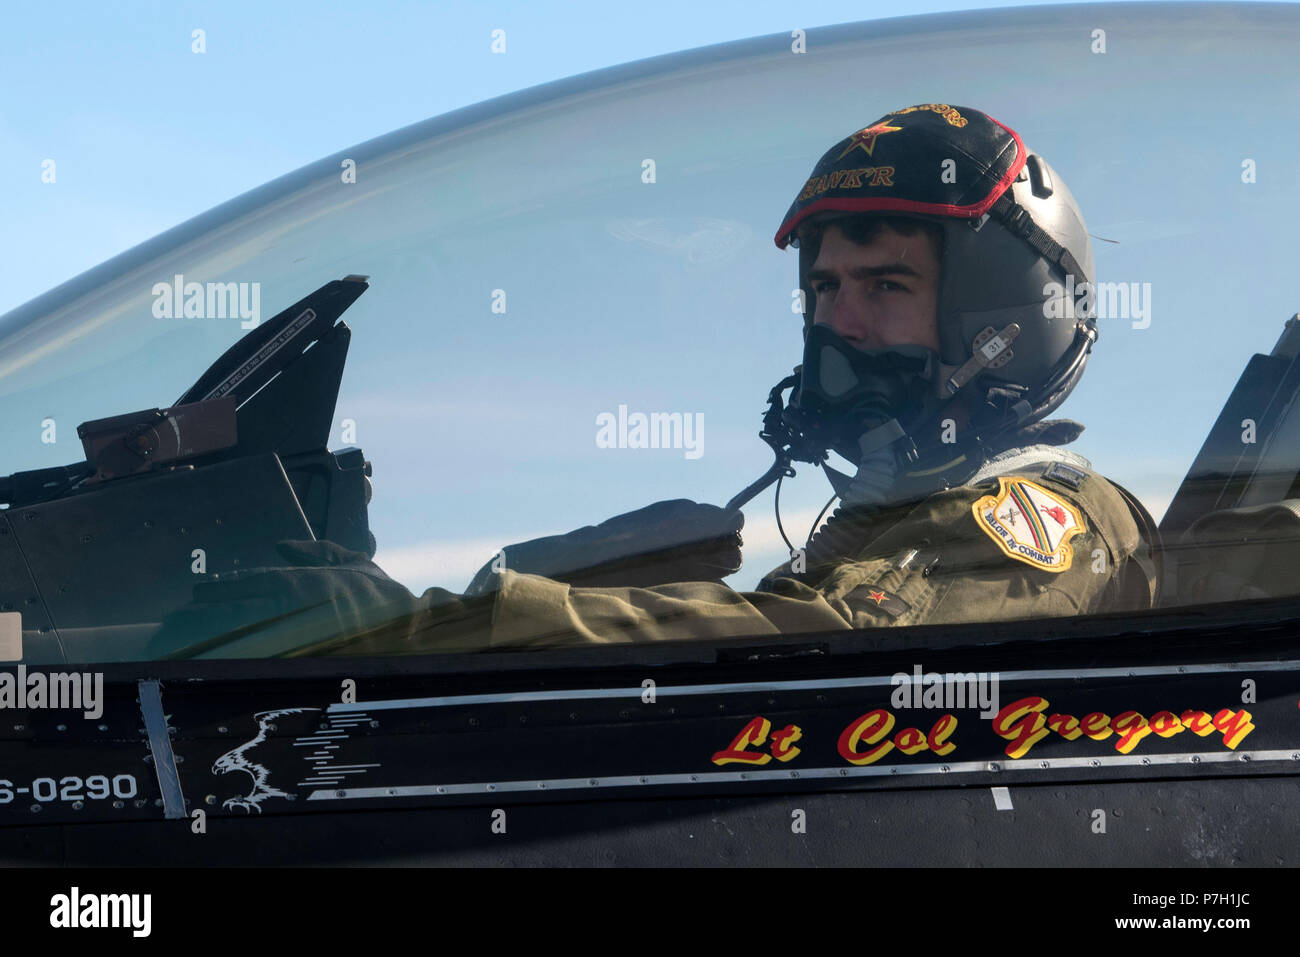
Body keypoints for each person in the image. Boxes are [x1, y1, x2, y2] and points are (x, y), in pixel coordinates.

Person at [151, 104, 1158, 659]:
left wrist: (425, 627)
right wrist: (571, 571)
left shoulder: (1047, 516)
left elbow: (824, 652)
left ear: (1004, 322)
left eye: (885, 286)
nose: (838, 325)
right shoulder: (886, 523)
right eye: (823, 289)